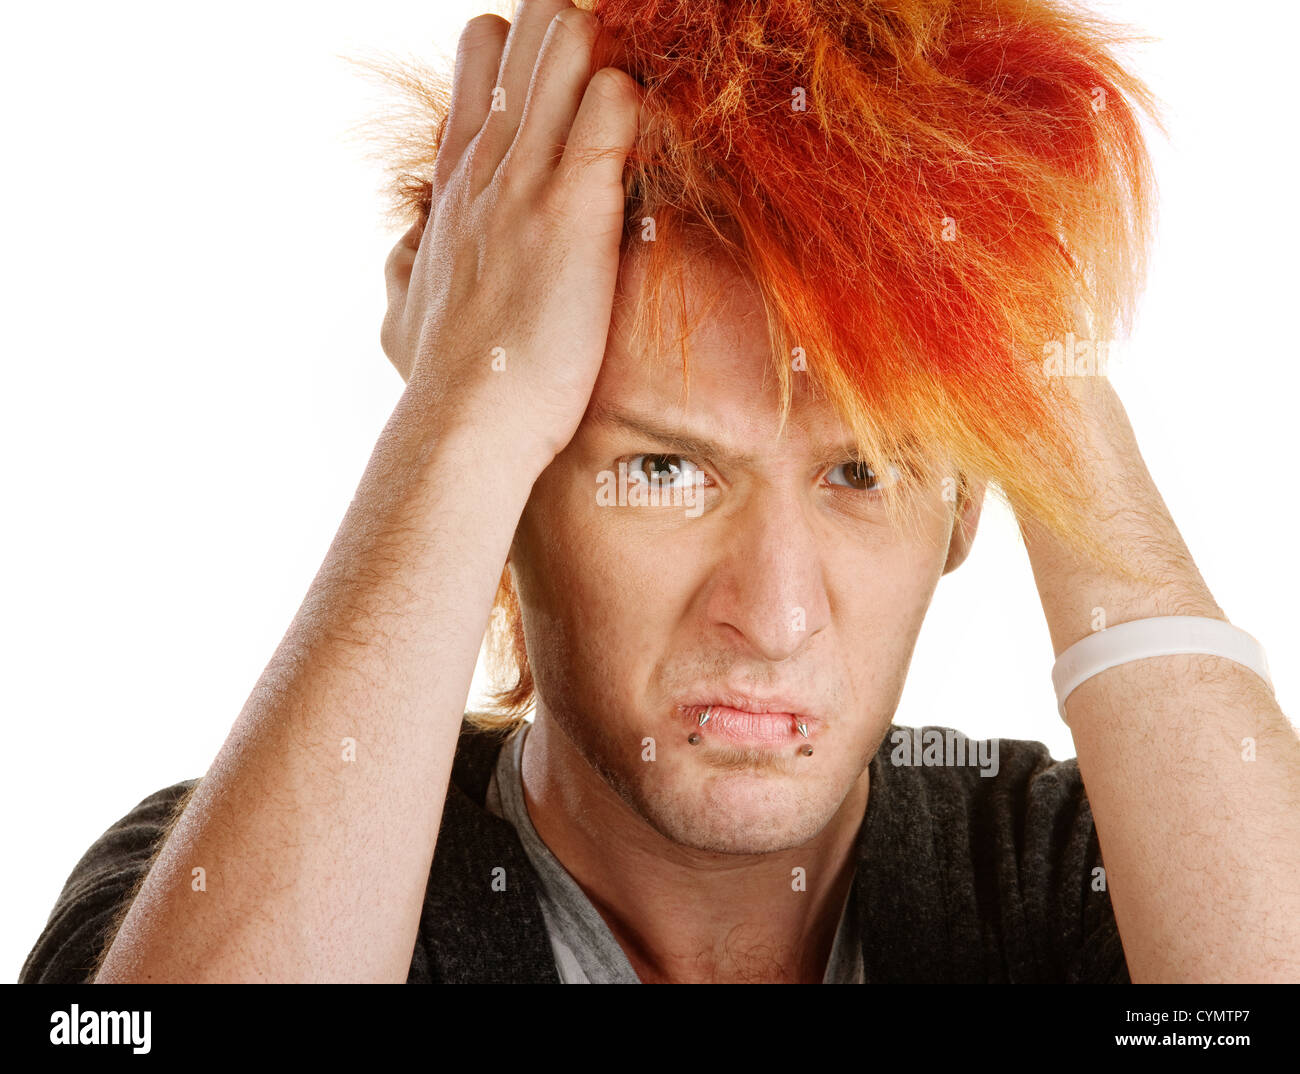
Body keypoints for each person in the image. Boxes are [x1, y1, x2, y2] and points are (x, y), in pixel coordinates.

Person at [21, 0, 1299, 985]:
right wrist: (460, 406)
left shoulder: (1085, 874)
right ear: (511, 490)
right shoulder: (205, 875)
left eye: (863, 470)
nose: (775, 616)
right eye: (663, 468)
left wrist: (1020, 352)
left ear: (966, 506)